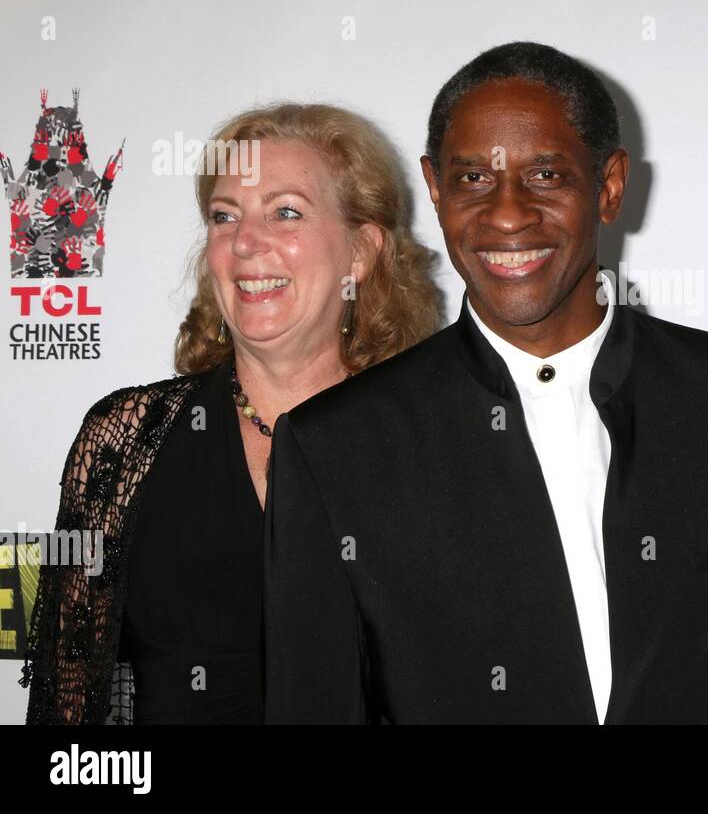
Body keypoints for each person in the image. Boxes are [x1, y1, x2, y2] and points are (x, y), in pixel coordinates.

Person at [263, 42, 708, 723]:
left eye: (545, 175)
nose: (508, 214)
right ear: (434, 189)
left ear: (608, 187)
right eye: (472, 181)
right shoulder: (337, 449)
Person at [21, 103, 439, 723]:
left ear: (362, 250)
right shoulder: (123, 440)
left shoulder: (430, 446)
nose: (245, 241)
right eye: (223, 217)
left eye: (286, 212)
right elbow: (64, 704)